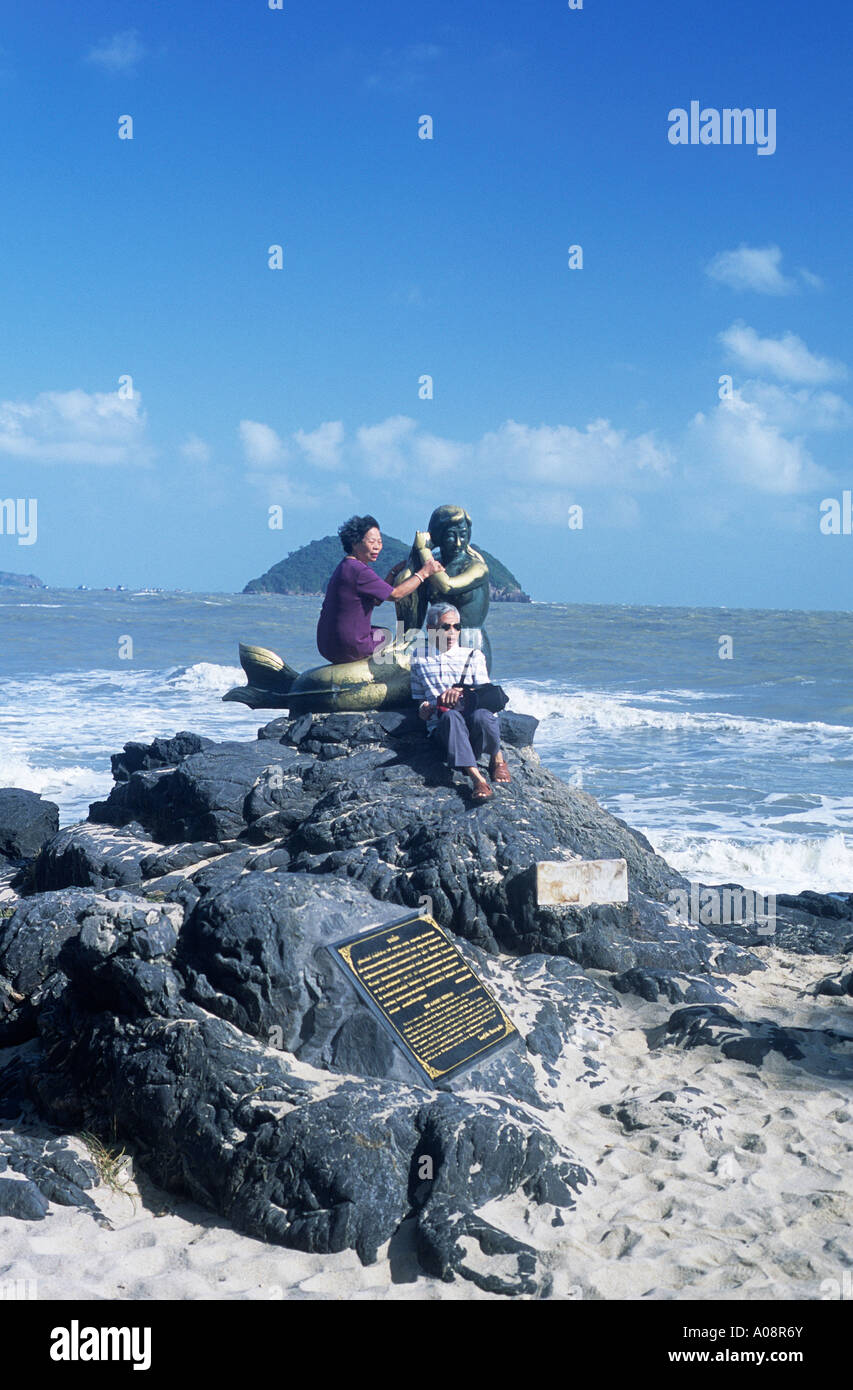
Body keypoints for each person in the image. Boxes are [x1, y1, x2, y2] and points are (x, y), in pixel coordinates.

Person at [410, 602, 511, 802]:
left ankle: (496, 757)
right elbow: (419, 698)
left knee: (484, 715)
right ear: (431, 630)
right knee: (450, 716)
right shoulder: (419, 658)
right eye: (445, 627)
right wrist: (424, 709)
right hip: (444, 727)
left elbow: (487, 695)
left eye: (457, 626)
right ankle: (477, 778)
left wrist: (462, 692)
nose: (452, 632)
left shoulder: (473, 655)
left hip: (474, 725)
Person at [316, 516, 442, 665]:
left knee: (377, 631)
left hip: (326, 645)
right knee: (385, 635)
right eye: (371, 542)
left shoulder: (346, 566)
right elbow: (396, 595)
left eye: (379, 542)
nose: (377, 546)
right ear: (355, 543)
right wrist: (424, 573)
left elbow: (376, 601)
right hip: (347, 647)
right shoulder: (359, 570)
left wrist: (393, 573)